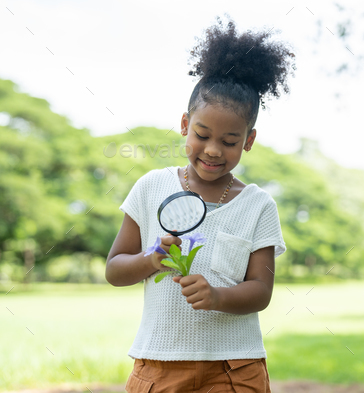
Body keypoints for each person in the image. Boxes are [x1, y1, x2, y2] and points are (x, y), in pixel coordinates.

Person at [105, 16, 295, 393]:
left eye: (229, 140)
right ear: (184, 124)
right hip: (159, 364)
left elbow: (261, 290)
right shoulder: (151, 186)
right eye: (202, 134)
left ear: (249, 140)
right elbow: (114, 270)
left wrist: (218, 296)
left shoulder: (257, 205)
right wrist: (150, 260)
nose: (212, 150)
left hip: (234, 369)